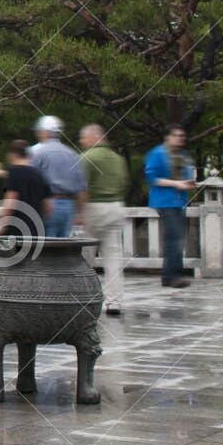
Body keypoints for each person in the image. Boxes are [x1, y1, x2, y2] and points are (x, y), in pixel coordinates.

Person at [79, 123, 129, 315]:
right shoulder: (118, 159)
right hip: (116, 206)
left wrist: (80, 212)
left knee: (85, 256)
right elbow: (124, 183)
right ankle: (113, 301)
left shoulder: (87, 157)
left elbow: (82, 189)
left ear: (94, 137)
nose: (82, 142)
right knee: (113, 257)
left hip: (94, 207)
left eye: (84, 138)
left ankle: (85, 296)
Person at [144, 126, 196, 288]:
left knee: (177, 238)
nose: (180, 138)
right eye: (176, 135)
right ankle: (172, 275)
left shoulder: (183, 155)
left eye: (182, 136)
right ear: (167, 137)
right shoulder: (158, 153)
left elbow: (188, 174)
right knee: (175, 237)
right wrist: (176, 183)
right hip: (164, 201)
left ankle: (171, 275)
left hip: (180, 200)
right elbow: (151, 177)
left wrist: (190, 182)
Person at [28, 116, 87, 238]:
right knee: (63, 248)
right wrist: (80, 213)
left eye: (39, 131)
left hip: (48, 205)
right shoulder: (72, 154)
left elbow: (30, 181)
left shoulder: (37, 153)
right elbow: (82, 188)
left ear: (45, 132)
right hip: (68, 207)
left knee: (46, 249)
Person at [0, 139, 50, 239]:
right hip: (38, 229)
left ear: (13, 154)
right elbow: (48, 207)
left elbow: (10, 203)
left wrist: (2, 226)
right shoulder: (39, 174)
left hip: (18, 229)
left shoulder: (13, 172)